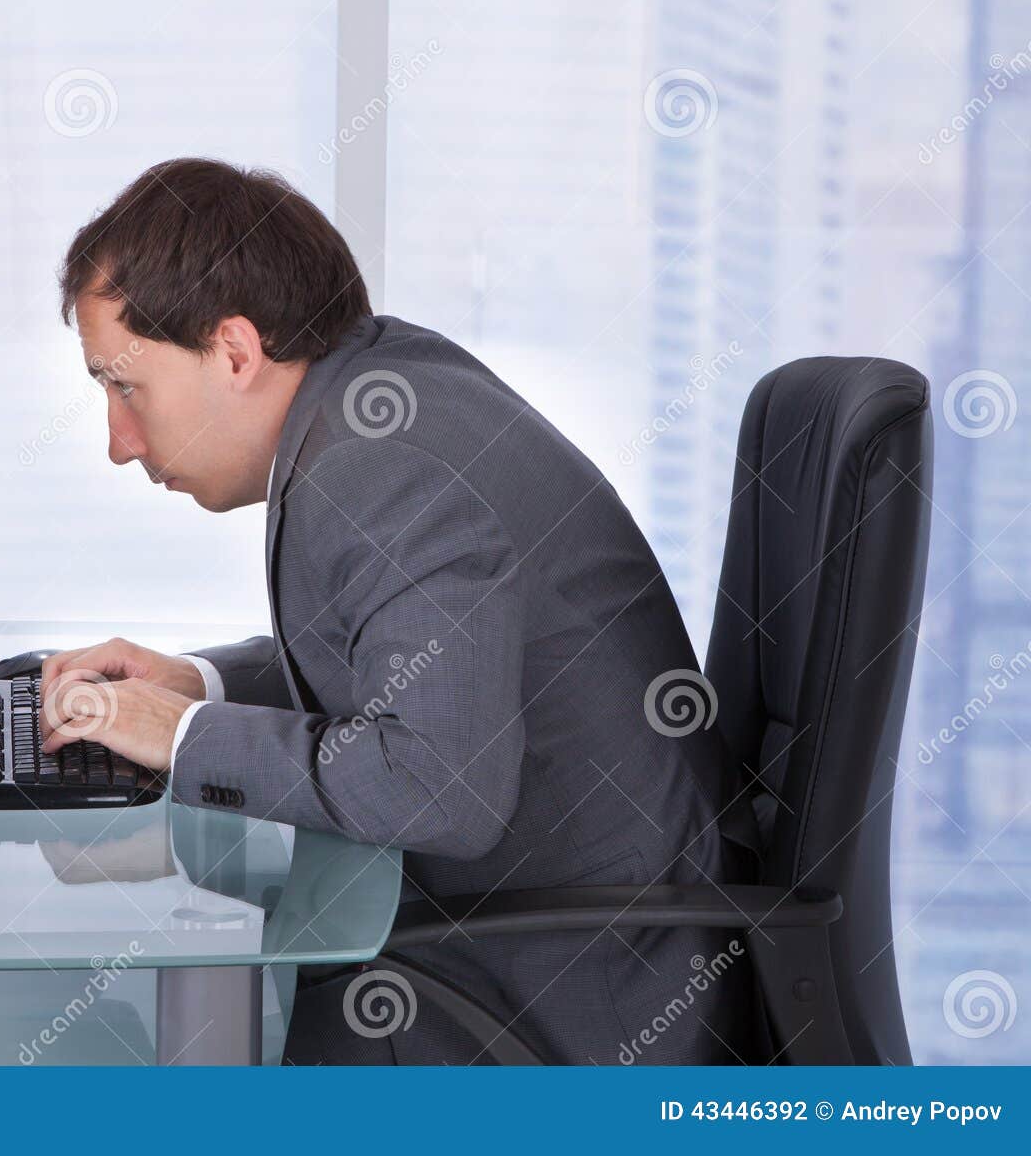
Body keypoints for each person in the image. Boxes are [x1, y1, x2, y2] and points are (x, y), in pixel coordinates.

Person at [38, 157, 752, 1064]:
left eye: (124, 386)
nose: (116, 442)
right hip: (553, 928)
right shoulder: (382, 386)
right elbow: (398, 650)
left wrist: (183, 736)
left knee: (100, 1037)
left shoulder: (382, 468)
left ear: (232, 351)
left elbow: (434, 785)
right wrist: (197, 681)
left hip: (577, 993)